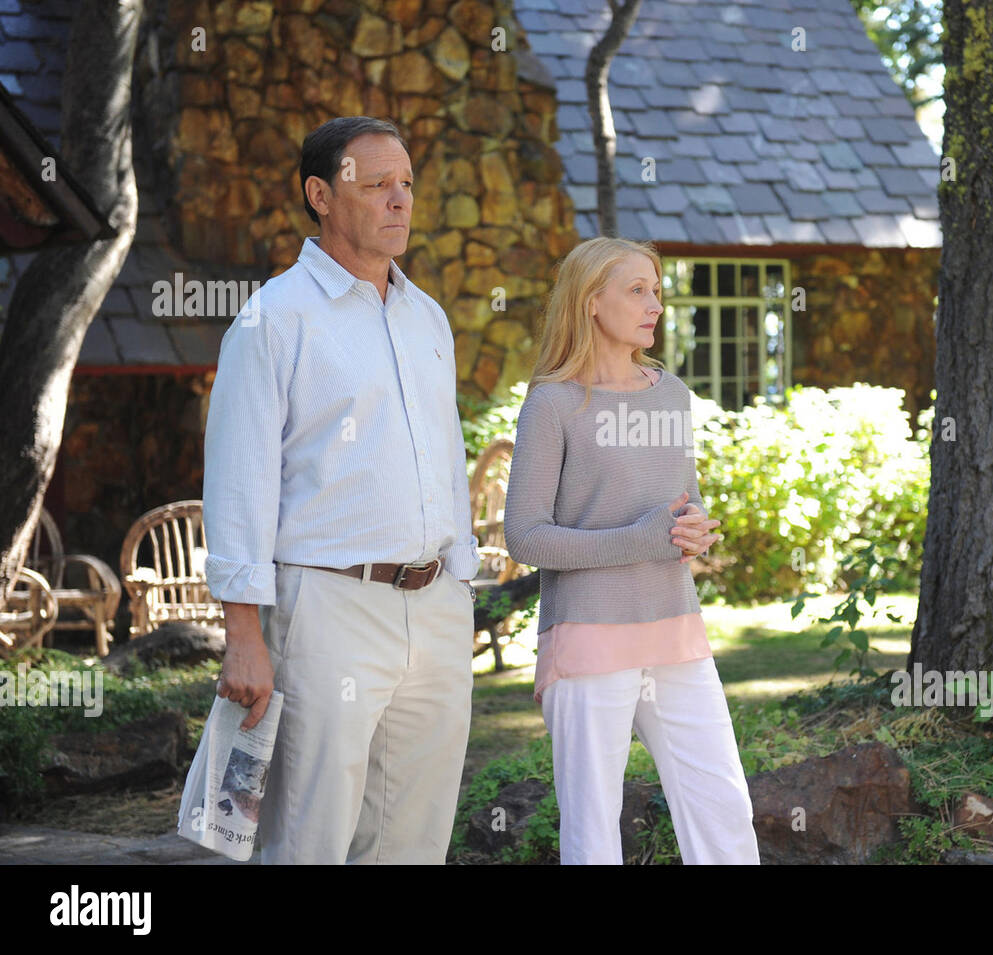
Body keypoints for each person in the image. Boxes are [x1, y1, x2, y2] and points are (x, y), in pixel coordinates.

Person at [202, 116, 480, 864]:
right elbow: (238, 482)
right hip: (327, 610)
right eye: (377, 183)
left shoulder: (428, 318)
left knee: (414, 842)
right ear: (321, 194)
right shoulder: (272, 321)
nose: (400, 200)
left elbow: (447, 459)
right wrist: (244, 635)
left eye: (408, 184)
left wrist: (461, 580)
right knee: (308, 839)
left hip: (437, 611)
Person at [503, 236, 761, 865]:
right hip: (590, 637)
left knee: (722, 804)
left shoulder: (670, 394)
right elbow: (526, 535)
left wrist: (691, 528)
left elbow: (681, 501)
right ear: (592, 302)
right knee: (593, 830)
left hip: (675, 629)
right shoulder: (553, 403)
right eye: (637, 290)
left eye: (657, 290)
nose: (655, 304)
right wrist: (639, 538)